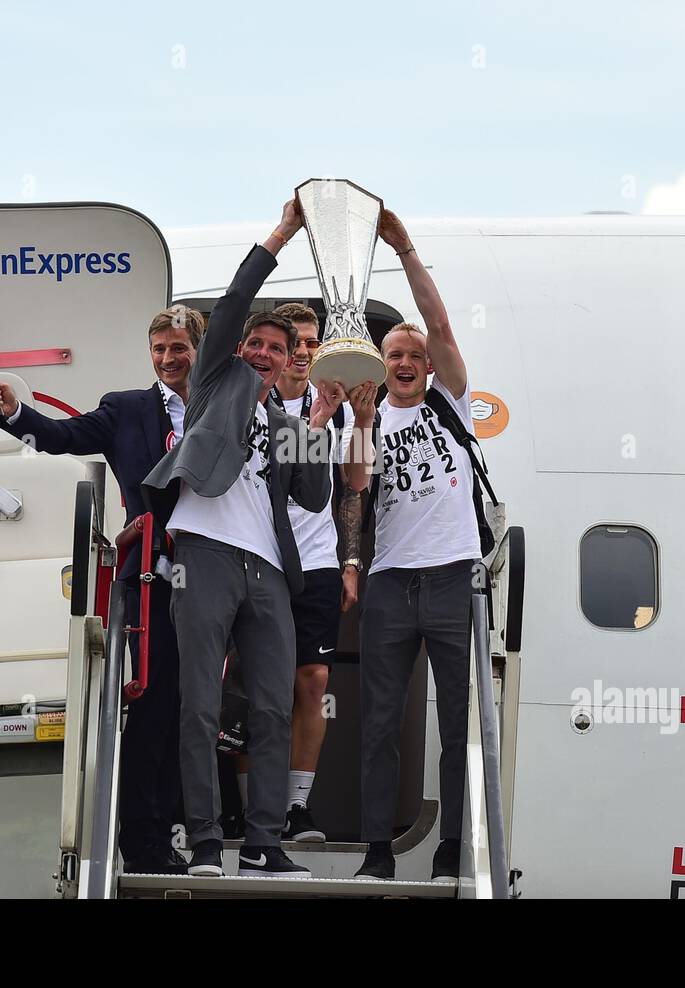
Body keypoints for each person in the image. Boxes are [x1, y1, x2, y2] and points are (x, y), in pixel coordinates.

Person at [142, 199, 341, 878]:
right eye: (255, 344)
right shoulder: (214, 383)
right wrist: (283, 232)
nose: (263, 352)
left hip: (268, 570)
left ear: (289, 364)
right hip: (204, 551)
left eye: (276, 350)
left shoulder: (290, 425)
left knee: (271, 707)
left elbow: (316, 497)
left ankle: (264, 841)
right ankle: (202, 842)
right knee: (199, 702)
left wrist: (315, 425)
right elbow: (233, 302)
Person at [0, 303, 203, 876]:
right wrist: (15, 413)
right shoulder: (126, 409)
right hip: (156, 578)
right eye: (159, 349)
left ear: (198, 349)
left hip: (221, 579)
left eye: (178, 348)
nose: (168, 359)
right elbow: (61, 437)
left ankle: (201, 833)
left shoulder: (221, 408)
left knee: (200, 709)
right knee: (156, 708)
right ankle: (147, 841)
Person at [343, 209, 482, 883]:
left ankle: (452, 847)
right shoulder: (362, 414)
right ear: (382, 365)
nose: (403, 363)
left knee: (456, 728)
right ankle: (377, 849)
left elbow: (441, 321)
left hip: (454, 576)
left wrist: (404, 251)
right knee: (379, 725)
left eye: (413, 356)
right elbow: (356, 485)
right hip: (393, 582)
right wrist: (363, 424)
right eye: (393, 355)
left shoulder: (451, 400)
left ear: (431, 365)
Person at [264, 302, 365, 843]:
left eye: (312, 342)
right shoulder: (253, 403)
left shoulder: (341, 409)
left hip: (319, 563)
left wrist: (350, 560)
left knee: (314, 680)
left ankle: (296, 807)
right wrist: (317, 421)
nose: (304, 352)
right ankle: (253, 807)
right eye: (295, 342)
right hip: (261, 558)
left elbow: (353, 485)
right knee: (255, 687)